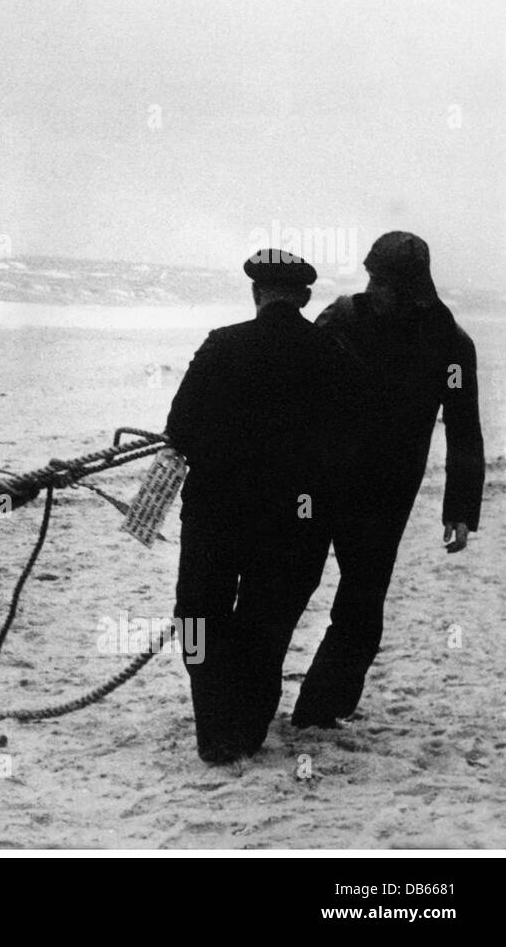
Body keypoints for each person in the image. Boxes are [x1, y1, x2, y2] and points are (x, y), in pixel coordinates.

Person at [167, 250, 355, 764]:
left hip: (217, 512)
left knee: (198, 618)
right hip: (297, 518)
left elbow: (180, 429)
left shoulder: (222, 344)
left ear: (256, 294)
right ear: (306, 298)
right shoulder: (332, 353)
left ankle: (214, 730)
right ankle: (246, 730)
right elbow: (347, 444)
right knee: (265, 626)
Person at [292, 232, 484, 728]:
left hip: (385, 493)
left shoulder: (452, 347)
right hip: (315, 482)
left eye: (383, 279)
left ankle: (319, 711)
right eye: (371, 275)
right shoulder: (338, 319)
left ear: (411, 283)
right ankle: (248, 704)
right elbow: (293, 396)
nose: (373, 286)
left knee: (361, 600)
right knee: (287, 587)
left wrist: (460, 512)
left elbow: (463, 429)